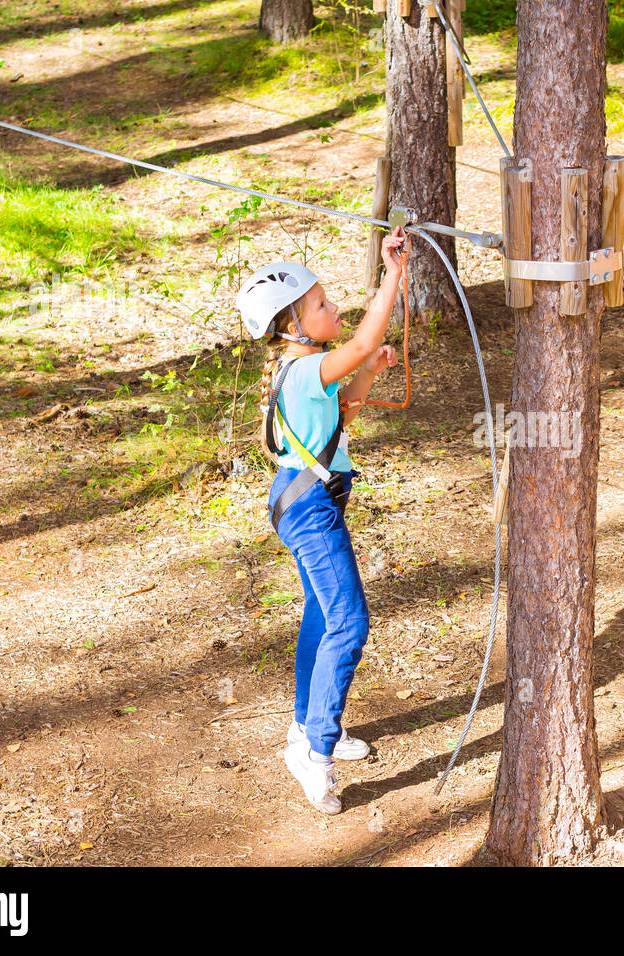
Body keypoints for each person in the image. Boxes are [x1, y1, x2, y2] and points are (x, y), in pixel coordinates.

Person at [235, 226, 408, 814]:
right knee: (348, 623)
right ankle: (314, 751)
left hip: (308, 498)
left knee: (321, 614)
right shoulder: (305, 369)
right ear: (293, 326)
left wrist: (369, 373)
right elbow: (359, 344)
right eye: (321, 304)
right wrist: (393, 274)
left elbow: (341, 416)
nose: (333, 307)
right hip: (309, 507)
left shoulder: (304, 370)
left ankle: (302, 729)